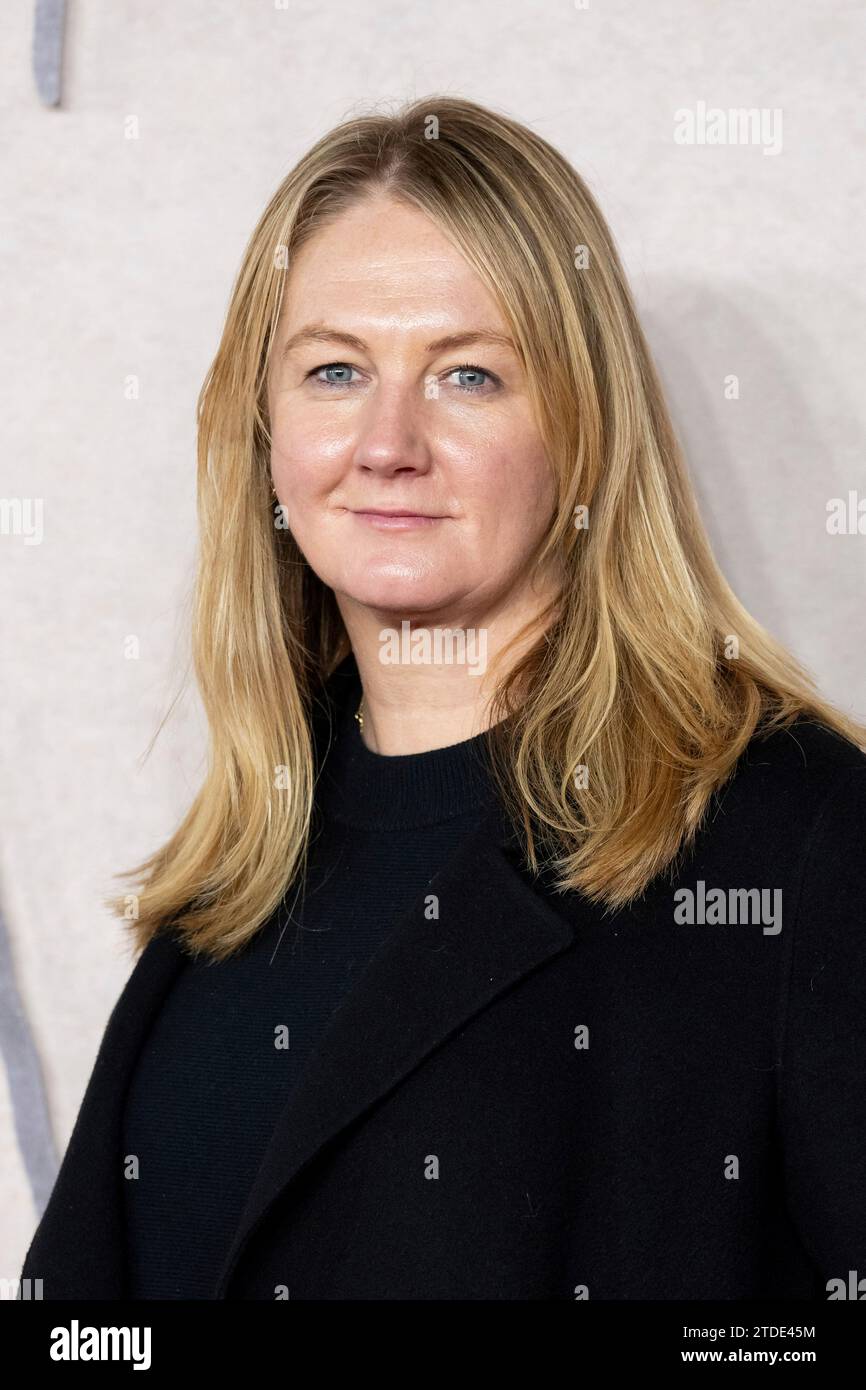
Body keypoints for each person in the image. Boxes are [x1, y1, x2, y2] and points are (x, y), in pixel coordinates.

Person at [20, 94, 866, 1301]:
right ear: (261, 434)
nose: (386, 442)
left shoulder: (796, 842)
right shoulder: (229, 892)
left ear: (582, 426)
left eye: (468, 374)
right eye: (332, 371)